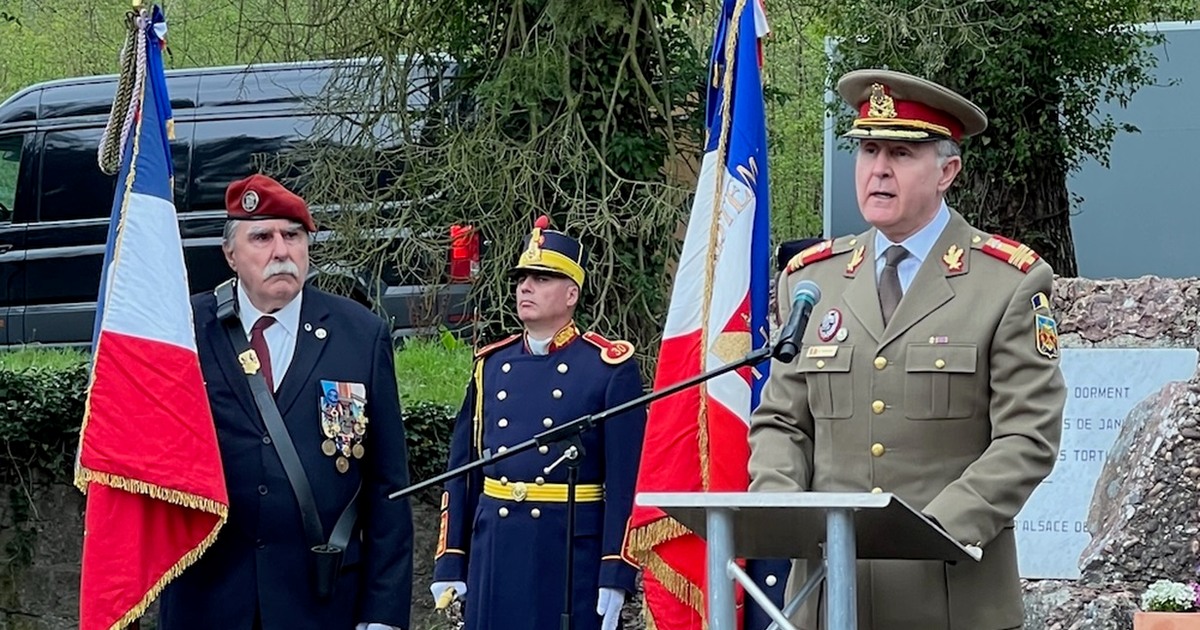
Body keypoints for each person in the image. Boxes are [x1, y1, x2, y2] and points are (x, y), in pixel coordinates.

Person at [748, 69, 1066, 630]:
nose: (878, 170)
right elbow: (781, 421)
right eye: (868, 150)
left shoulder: (1007, 282)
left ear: (947, 170)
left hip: (947, 594)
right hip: (825, 595)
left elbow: (1027, 437)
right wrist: (783, 508)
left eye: (901, 152)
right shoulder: (813, 280)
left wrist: (929, 531)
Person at [159, 174, 414, 630]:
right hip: (208, 600)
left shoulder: (360, 334)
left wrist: (383, 614)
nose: (281, 251)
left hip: (321, 603)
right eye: (262, 237)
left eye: (292, 236)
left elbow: (386, 485)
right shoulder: (184, 330)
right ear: (230, 254)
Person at [431, 216, 646, 630]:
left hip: (567, 556)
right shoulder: (491, 365)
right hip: (496, 548)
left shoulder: (607, 368)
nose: (525, 287)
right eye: (522, 278)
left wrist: (615, 571)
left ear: (571, 294)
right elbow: (462, 471)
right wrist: (450, 559)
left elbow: (626, 482)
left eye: (541, 278)